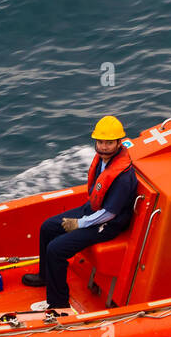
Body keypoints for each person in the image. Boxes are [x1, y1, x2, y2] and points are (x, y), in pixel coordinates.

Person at [21, 116, 139, 318]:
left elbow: (109, 213)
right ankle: (45, 276)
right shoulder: (104, 161)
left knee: (56, 249)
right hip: (92, 211)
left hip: (107, 224)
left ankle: (59, 304)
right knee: (47, 227)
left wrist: (79, 224)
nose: (103, 147)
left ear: (119, 143)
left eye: (109, 143)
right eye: (100, 142)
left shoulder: (123, 177)